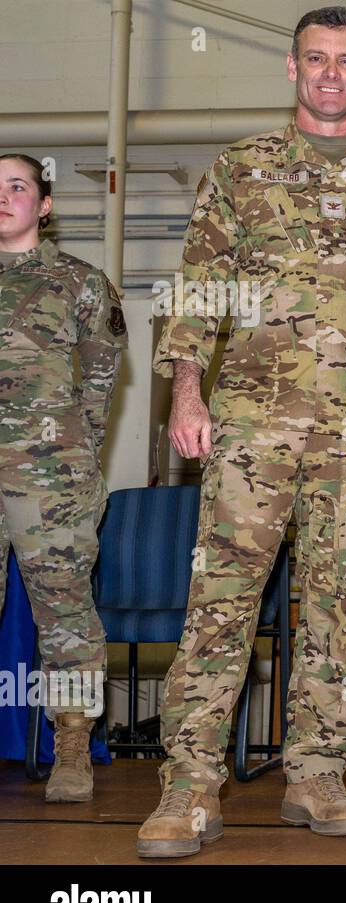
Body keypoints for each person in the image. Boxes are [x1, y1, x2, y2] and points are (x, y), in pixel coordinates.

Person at [136, 7, 346, 859]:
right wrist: (185, 396)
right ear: (293, 69)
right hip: (252, 427)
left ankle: (316, 774)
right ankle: (188, 789)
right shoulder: (242, 168)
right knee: (221, 605)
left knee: (340, 610)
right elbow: (199, 287)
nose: (331, 74)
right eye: (316, 60)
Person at [0, 153, 125, 803]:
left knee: (66, 616)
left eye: (17, 186)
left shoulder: (80, 283)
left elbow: (104, 376)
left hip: (50, 476)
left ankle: (72, 747)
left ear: (43, 205)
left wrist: (78, 455)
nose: (3, 197)